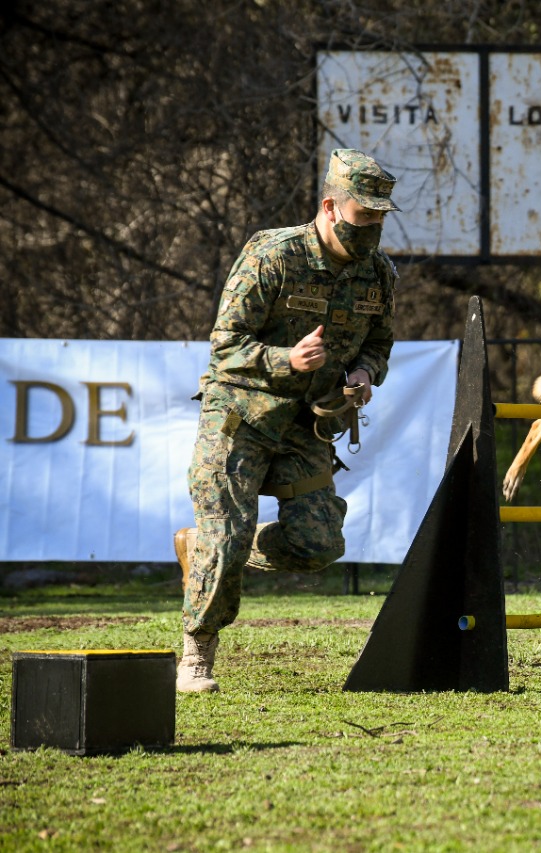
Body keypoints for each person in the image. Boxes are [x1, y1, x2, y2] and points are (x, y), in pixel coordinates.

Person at [174, 149, 399, 693]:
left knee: (318, 544)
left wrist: (366, 374)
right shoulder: (272, 255)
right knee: (225, 535)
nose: (372, 226)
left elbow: (379, 343)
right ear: (330, 205)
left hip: (307, 424)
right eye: (363, 214)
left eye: (380, 216)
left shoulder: (379, 273)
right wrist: (285, 360)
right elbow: (224, 348)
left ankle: (205, 546)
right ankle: (196, 655)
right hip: (241, 413)